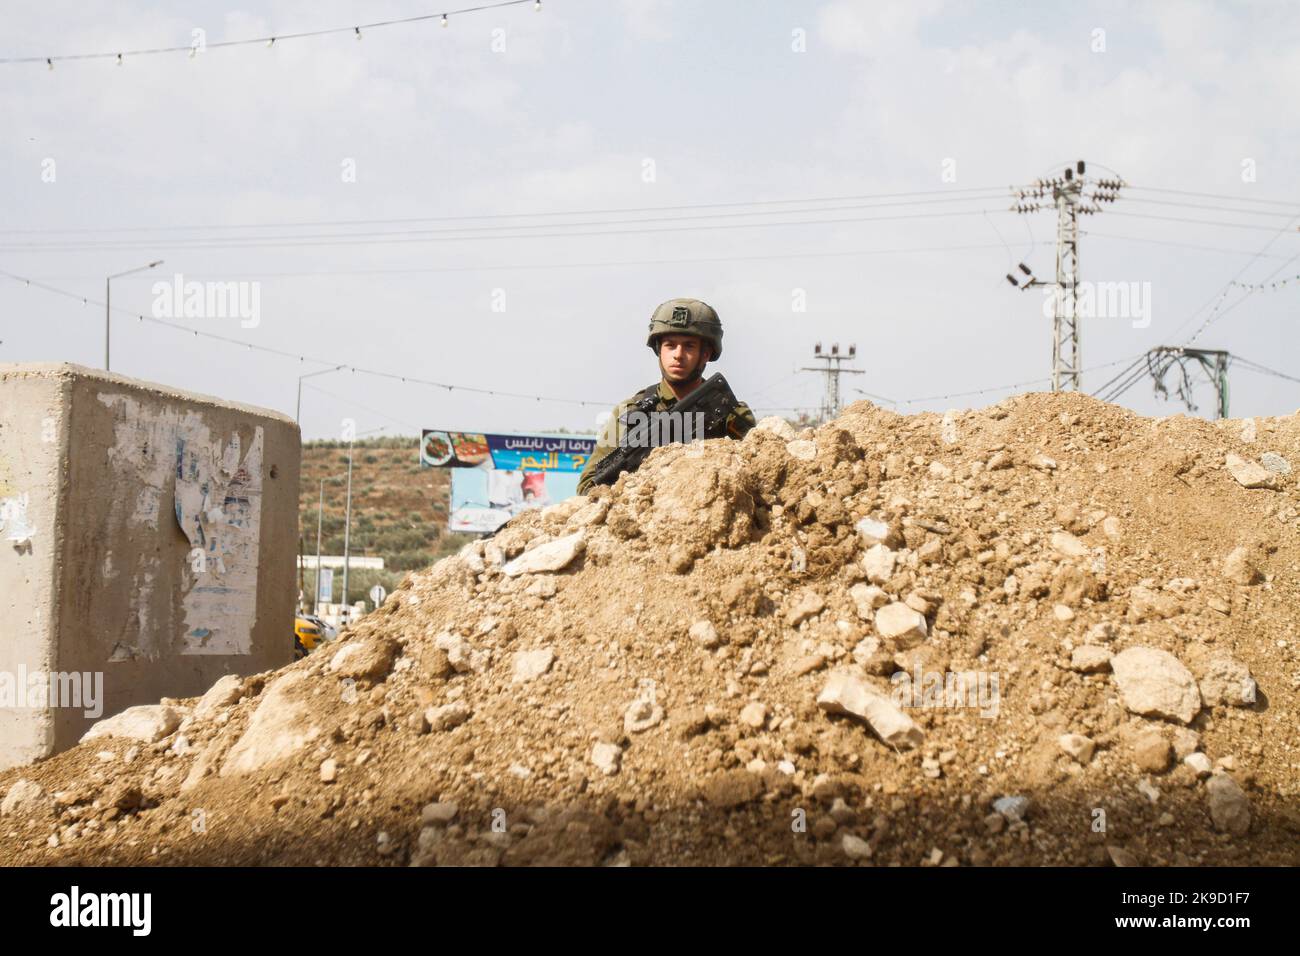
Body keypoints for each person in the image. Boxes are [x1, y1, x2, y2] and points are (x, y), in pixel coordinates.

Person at [577, 297, 755, 494]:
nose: (678, 354)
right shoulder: (630, 411)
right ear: (658, 350)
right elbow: (587, 487)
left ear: (705, 354)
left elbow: (760, 471)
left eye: (689, 346)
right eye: (670, 345)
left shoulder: (729, 413)